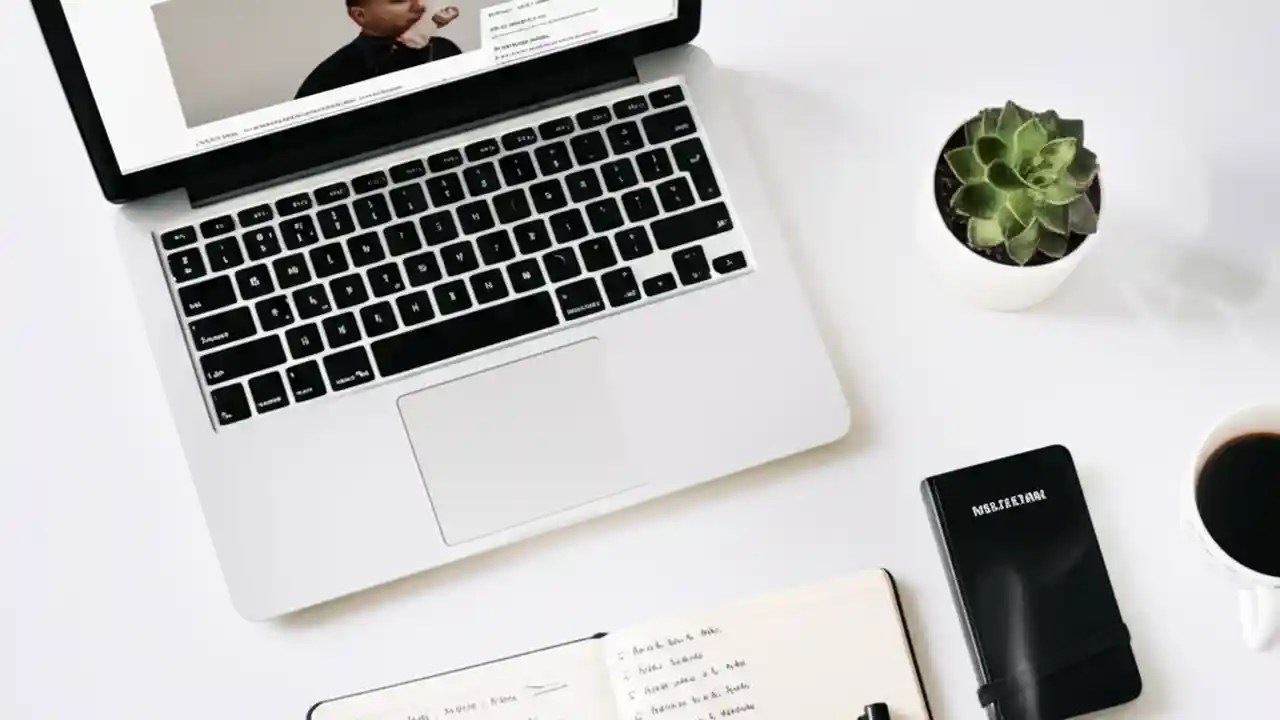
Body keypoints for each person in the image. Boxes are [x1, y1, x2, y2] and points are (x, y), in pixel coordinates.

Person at [296, 0, 463, 99]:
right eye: (398, 0)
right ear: (360, 16)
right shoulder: (329, 78)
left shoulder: (444, 49)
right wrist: (411, 50)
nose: (419, 6)